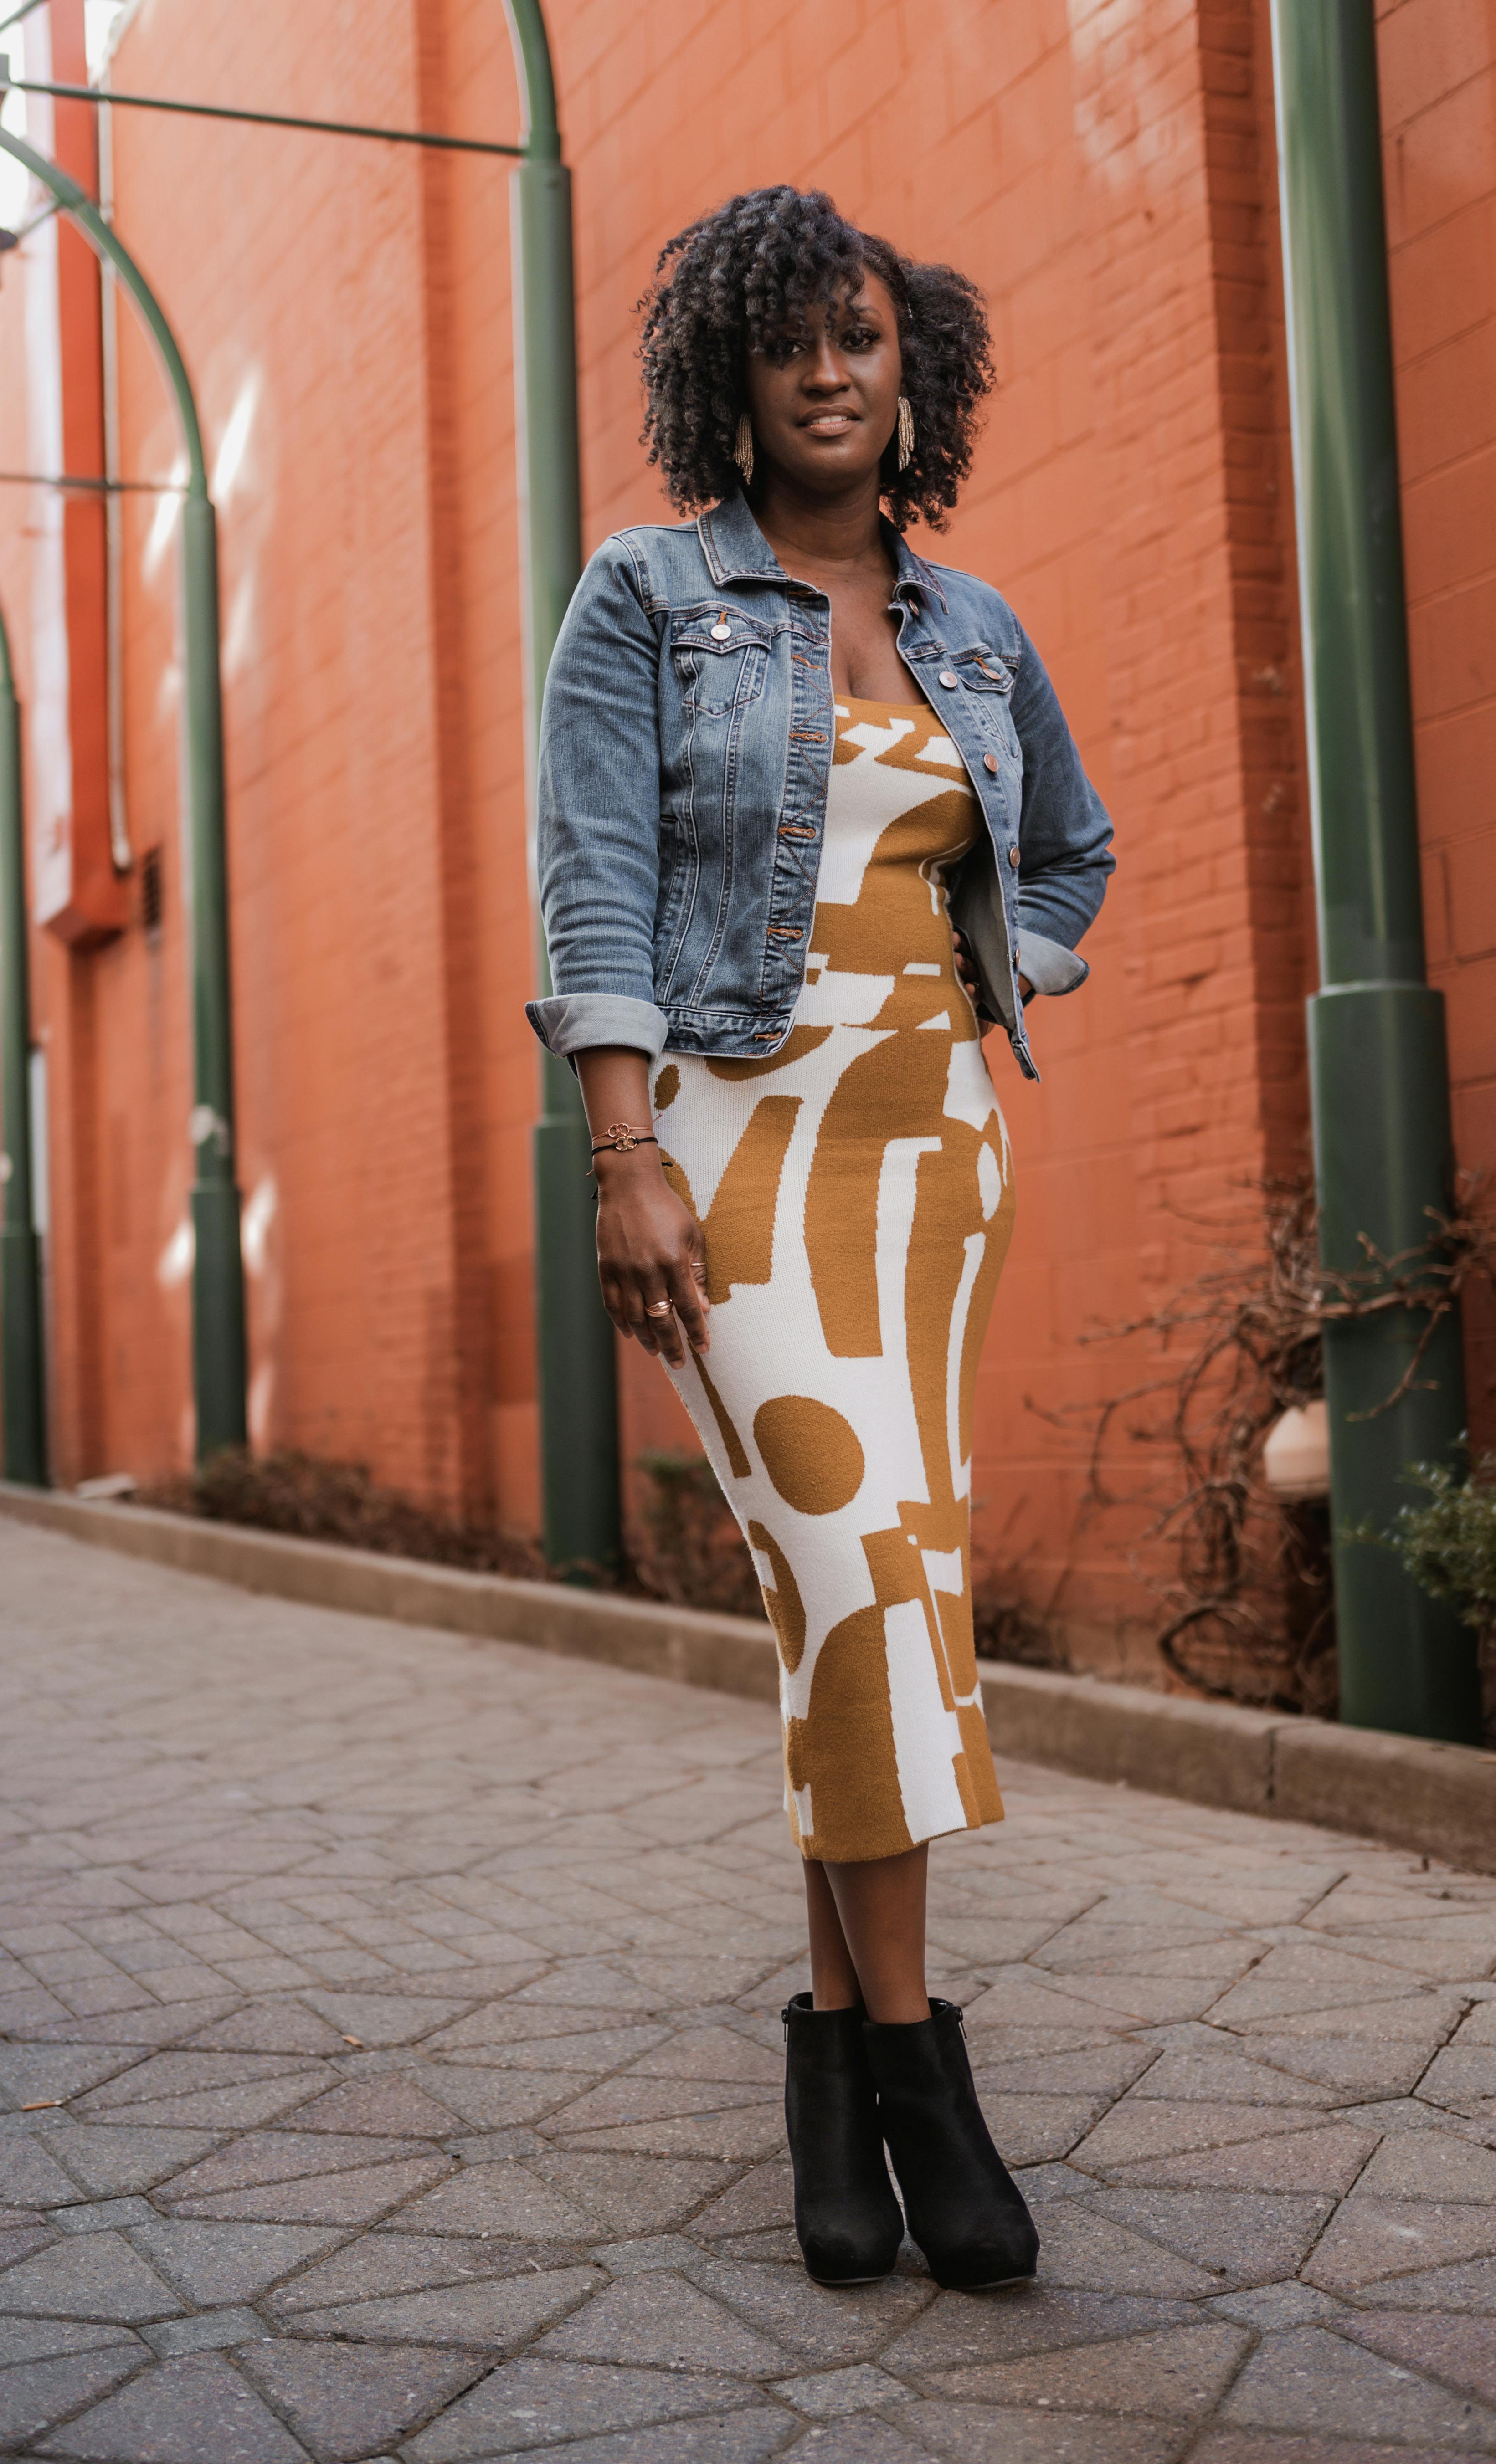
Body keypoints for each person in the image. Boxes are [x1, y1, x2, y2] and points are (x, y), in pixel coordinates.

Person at [527, 187, 1113, 2292]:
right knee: (864, 1571)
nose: (830, 371)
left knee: (853, 1607)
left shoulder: (977, 626)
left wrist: (995, 975)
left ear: (910, 366)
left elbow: (1071, 849)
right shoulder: (649, 593)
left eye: (860, 336)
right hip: (729, 1143)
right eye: (789, 342)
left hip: (928, 1156)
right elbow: (592, 875)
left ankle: (834, 2085)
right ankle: (925, 2076)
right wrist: (622, 1151)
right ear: (733, 378)